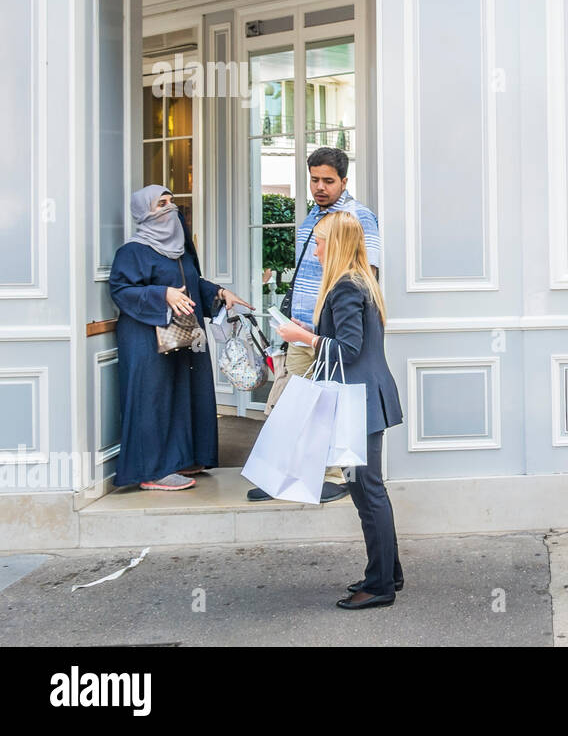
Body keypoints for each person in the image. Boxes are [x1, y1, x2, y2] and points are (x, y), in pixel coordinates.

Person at [277, 211, 404, 610]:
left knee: (366, 491)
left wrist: (304, 338)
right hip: (362, 399)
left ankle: (381, 584)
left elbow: (348, 351)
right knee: (367, 490)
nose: (313, 249)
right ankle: (387, 573)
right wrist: (311, 331)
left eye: (319, 241)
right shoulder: (357, 280)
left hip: (358, 401)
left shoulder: (346, 286)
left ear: (337, 243)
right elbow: (351, 342)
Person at [248, 146, 382, 503]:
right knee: (289, 401)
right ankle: (279, 473)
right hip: (301, 329)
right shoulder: (310, 218)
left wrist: (333, 327)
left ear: (344, 181)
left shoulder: (359, 217)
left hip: (334, 335)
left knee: (330, 405)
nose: (320, 187)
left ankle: (335, 479)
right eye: (314, 179)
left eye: (328, 180)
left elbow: (367, 277)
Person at [110, 186, 253, 491]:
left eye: (171, 202)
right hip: (146, 338)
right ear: (143, 211)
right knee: (154, 399)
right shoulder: (132, 251)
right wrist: (161, 294)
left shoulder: (181, 250)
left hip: (182, 334)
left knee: (185, 394)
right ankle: (151, 471)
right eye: (161, 204)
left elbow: (191, 283)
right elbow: (121, 290)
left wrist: (219, 292)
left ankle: (183, 458)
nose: (170, 208)